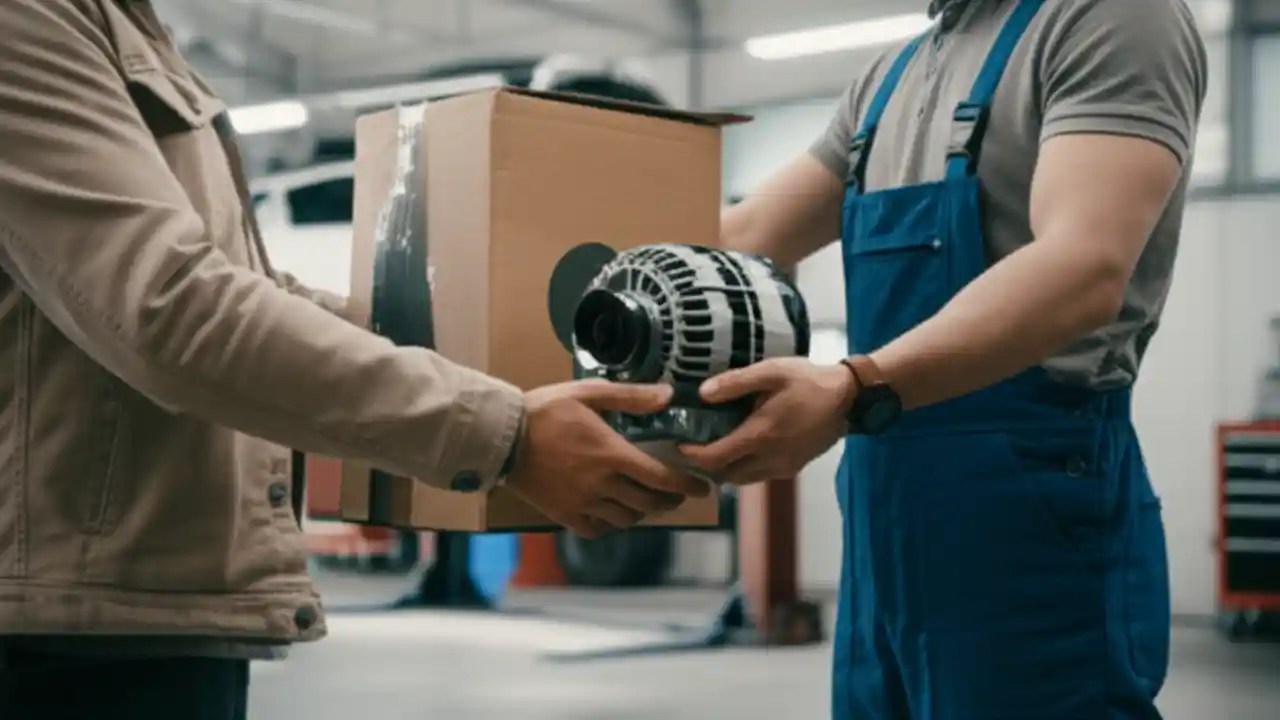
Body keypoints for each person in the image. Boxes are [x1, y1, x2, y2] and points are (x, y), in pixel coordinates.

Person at [0, 1, 706, 718]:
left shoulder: (121, 25)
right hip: (64, 640)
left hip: (145, 609)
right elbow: (164, 305)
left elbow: (241, 284)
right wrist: (507, 433)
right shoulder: (30, 17)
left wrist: (482, 351)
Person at [687, 0, 1206, 717]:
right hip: (884, 505)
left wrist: (851, 388)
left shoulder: (1110, 16)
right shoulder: (889, 76)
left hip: (1029, 509)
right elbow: (747, 233)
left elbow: (1082, 264)